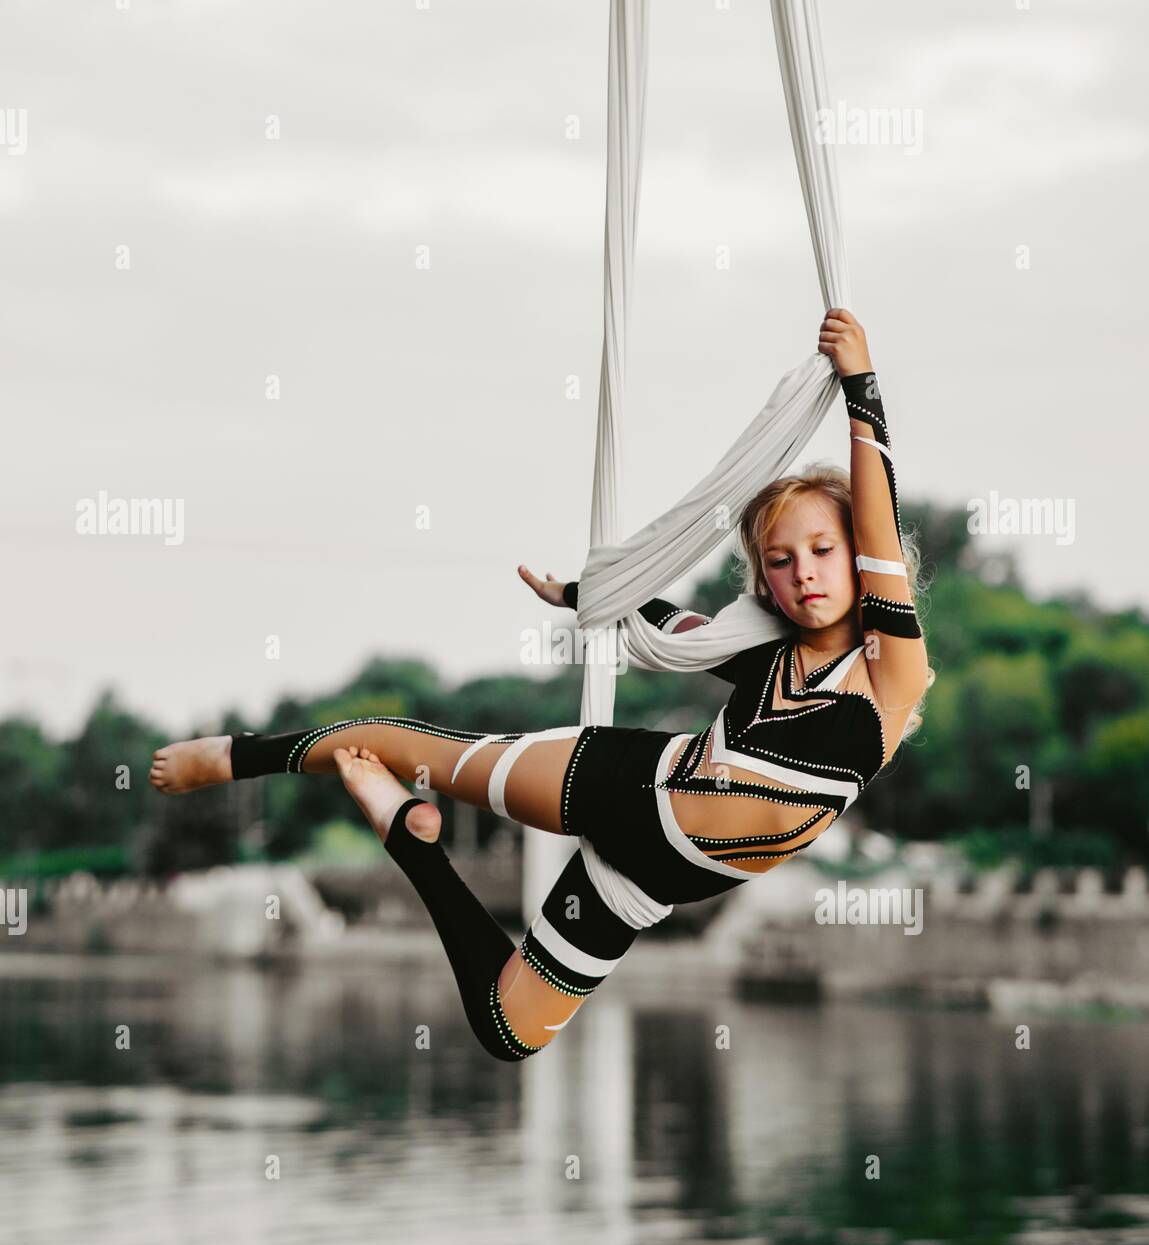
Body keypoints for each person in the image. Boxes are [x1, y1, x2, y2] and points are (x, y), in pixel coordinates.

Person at [149, 309, 932, 1063]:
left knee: (506, 1029)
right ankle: (239, 757)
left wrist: (861, 387)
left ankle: (410, 840)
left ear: (855, 555)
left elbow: (875, 525)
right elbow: (670, 623)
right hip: (619, 784)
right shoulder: (759, 648)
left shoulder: (890, 674)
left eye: (821, 551)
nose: (802, 574)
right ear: (762, 578)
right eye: (780, 561)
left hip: (640, 880)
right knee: (421, 748)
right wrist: (582, 597)